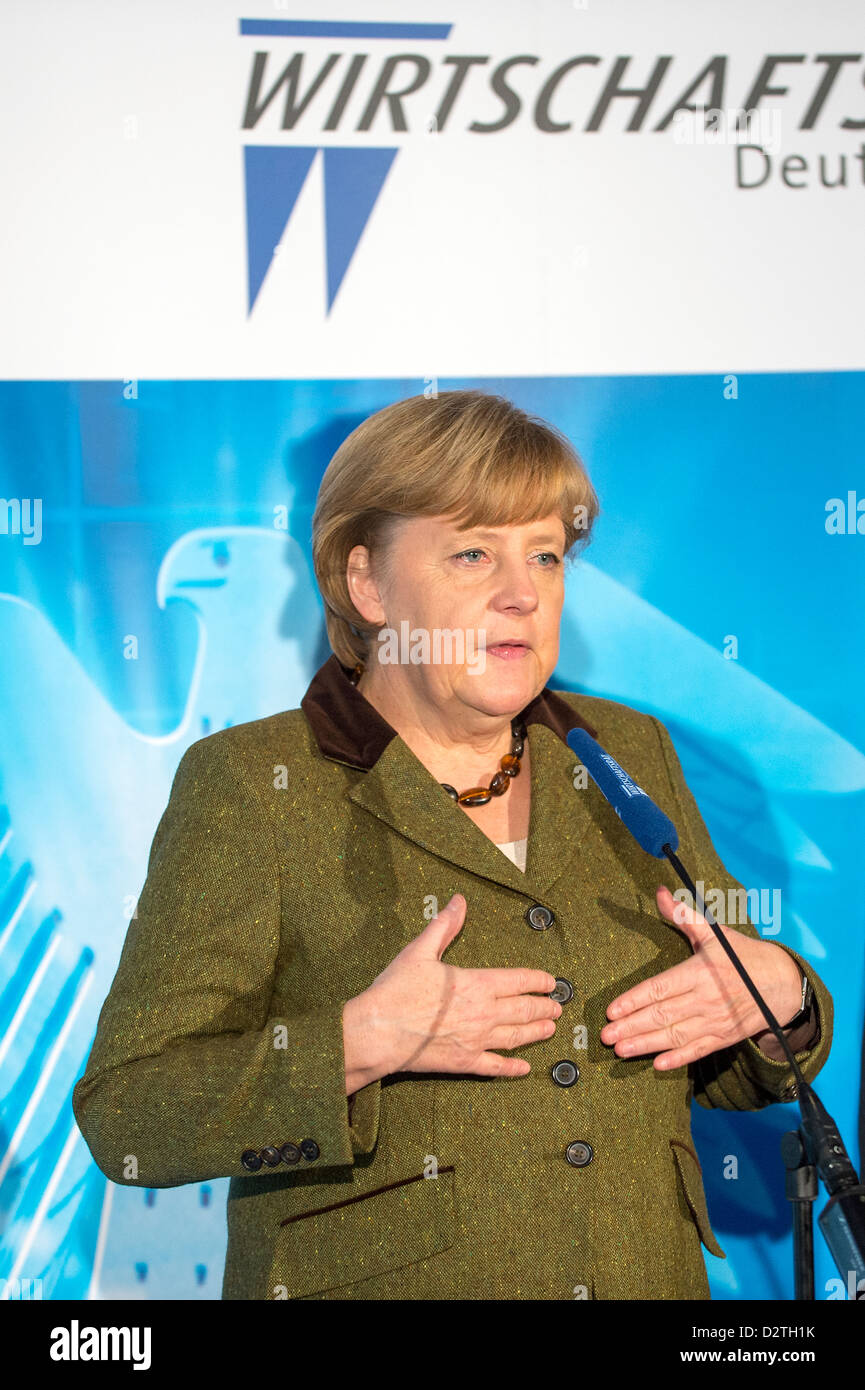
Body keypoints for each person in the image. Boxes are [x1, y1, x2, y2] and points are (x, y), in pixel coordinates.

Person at [72, 389, 833, 1300]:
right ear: (367, 583)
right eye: (472, 552)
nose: (521, 592)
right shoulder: (252, 784)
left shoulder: (627, 752)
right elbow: (130, 1114)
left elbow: (724, 1051)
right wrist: (355, 1044)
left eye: (545, 555)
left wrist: (775, 997)